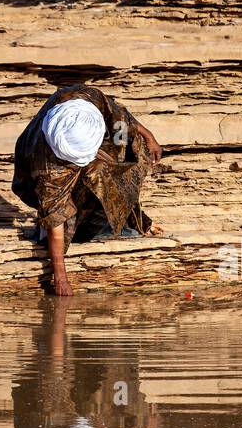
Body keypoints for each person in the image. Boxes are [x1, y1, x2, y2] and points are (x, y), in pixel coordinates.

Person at [12, 85, 164, 295]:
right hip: (37, 178)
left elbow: (119, 117)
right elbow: (56, 219)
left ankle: (122, 215)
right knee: (70, 217)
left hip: (93, 143)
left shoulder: (86, 98)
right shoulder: (48, 170)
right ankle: (90, 226)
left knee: (130, 150)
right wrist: (60, 276)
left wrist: (149, 137)